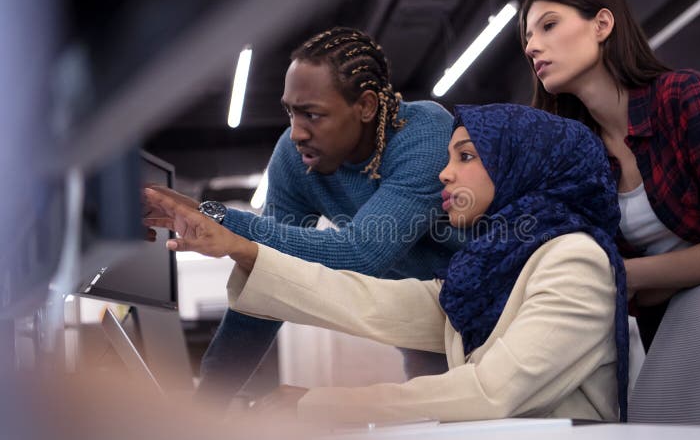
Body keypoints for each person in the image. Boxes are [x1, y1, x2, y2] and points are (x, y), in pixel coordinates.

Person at [144, 103, 630, 423]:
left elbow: (490, 393)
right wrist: (238, 247)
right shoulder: (491, 267)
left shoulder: (574, 260)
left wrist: (317, 404)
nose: (445, 171)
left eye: (466, 157)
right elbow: (369, 302)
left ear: (519, 165)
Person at [519, 0, 700, 423]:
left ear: (602, 25)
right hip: (686, 353)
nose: (532, 46)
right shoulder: (581, 154)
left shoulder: (686, 99)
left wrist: (625, 275)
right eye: (527, 37)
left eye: (548, 25)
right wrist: (638, 281)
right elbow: (603, 285)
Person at [144, 27, 463, 406]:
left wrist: (216, 217)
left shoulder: (423, 134)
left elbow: (360, 253)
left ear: (366, 106)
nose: (296, 133)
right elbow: (269, 281)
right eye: (290, 111)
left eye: (312, 114)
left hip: (491, 314)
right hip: (421, 329)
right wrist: (208, 405)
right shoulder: (296, 159)